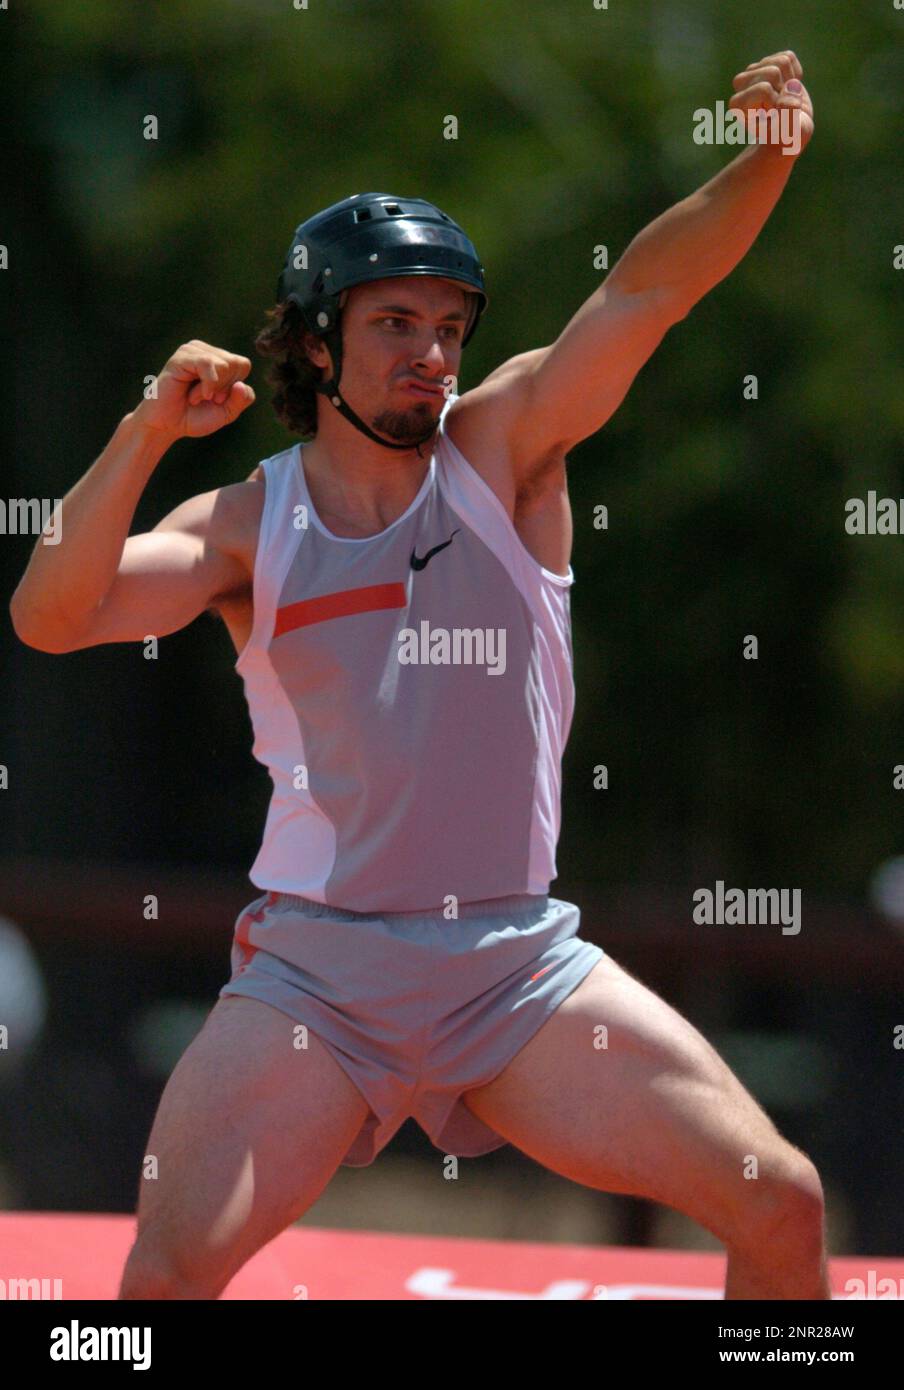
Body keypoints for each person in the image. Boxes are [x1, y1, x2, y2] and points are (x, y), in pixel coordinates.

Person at [10, 55, 828, 1302]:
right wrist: (142, 434)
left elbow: (648, 289)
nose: (433, 352)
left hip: (512, 963)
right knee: (162, 1281)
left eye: (450, 325)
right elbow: (49, 617)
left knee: (783, 1203)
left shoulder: (504, 449)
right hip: (317, 978)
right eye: (397, 322)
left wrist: (765, 153)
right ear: (314, 341)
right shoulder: (243, 525)